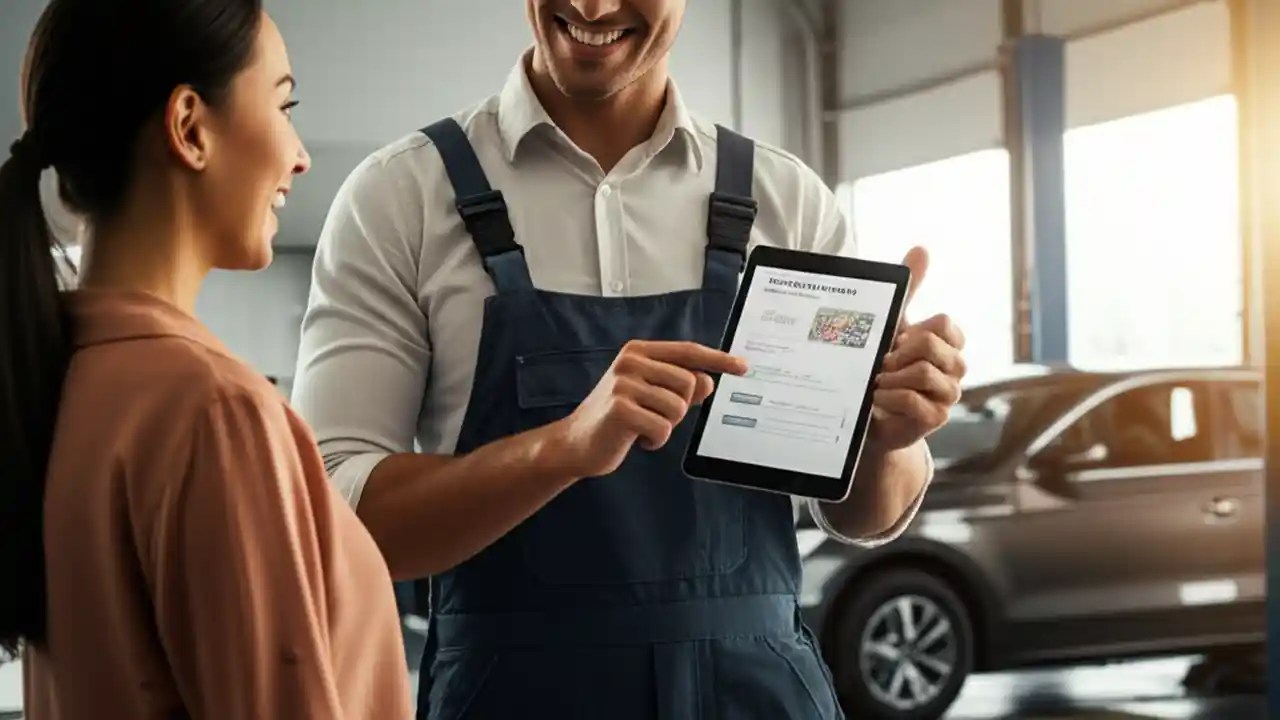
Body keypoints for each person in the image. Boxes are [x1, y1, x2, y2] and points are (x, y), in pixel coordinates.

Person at [293, 0, 967, 716]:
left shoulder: (787, 200)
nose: (592, 6)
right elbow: (333, 517)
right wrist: (562, 449)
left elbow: (859, 516)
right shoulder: (400, 198)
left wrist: (890, 440)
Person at [0, 1, 412, 717]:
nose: (300, 154)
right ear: (190, 127)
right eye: (285, 106)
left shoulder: (61, 380)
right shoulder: (217, 413)